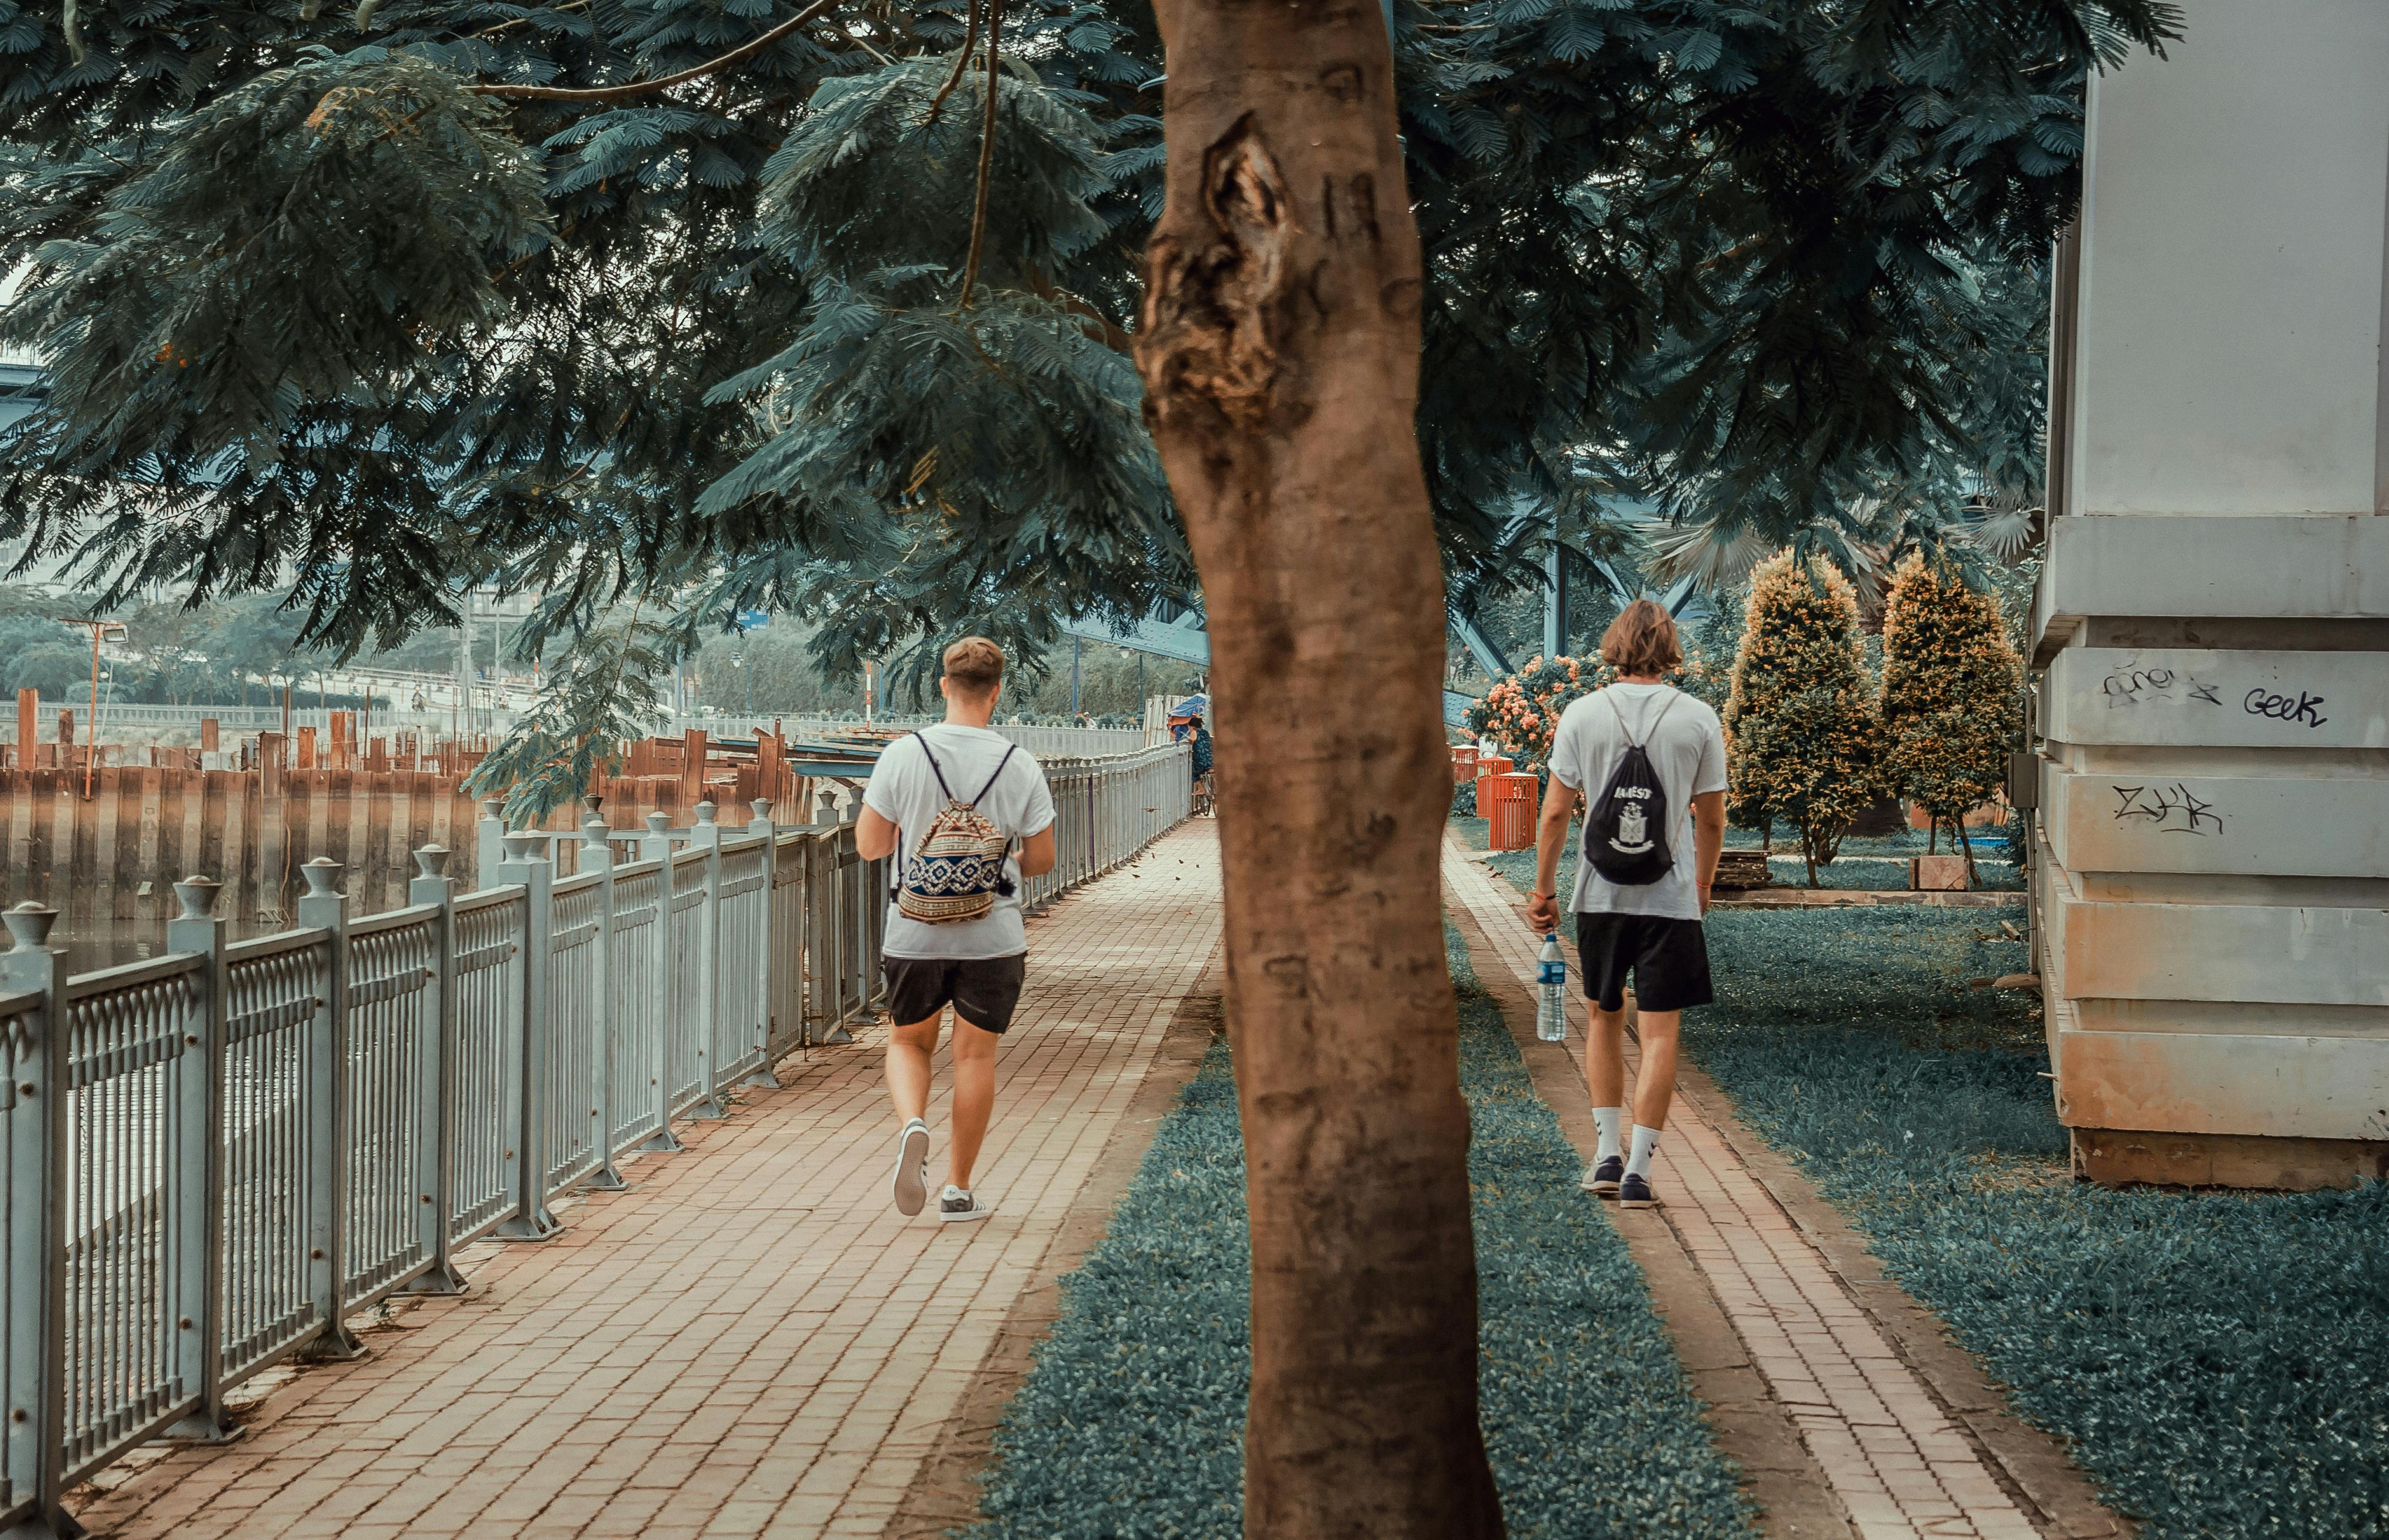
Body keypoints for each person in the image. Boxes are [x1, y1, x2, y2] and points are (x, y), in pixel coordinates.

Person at [1524, 600, 1726, 1210]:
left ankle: (1606, 1153)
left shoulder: (1582, 713)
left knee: (1604, 1020)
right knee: (1660, 1033)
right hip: (1669, 900)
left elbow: (1556, 811)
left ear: (1614, 645)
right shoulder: (1696, 718)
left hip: (1599, 895)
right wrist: (1702, 884)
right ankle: (1639, 1170)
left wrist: (1542, 890)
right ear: (1668, 647)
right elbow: (1711, 818)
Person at [855, 638, 1058, 1223]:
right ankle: (958, 1190)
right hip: (991, 937)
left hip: (913, 933)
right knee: (974, 1059)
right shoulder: (1019, 763)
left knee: (907, 1041)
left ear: (943, 685)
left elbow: (869, 846)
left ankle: (912, 1124)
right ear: (996, 692)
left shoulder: (902, 755)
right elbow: (1042, 859)